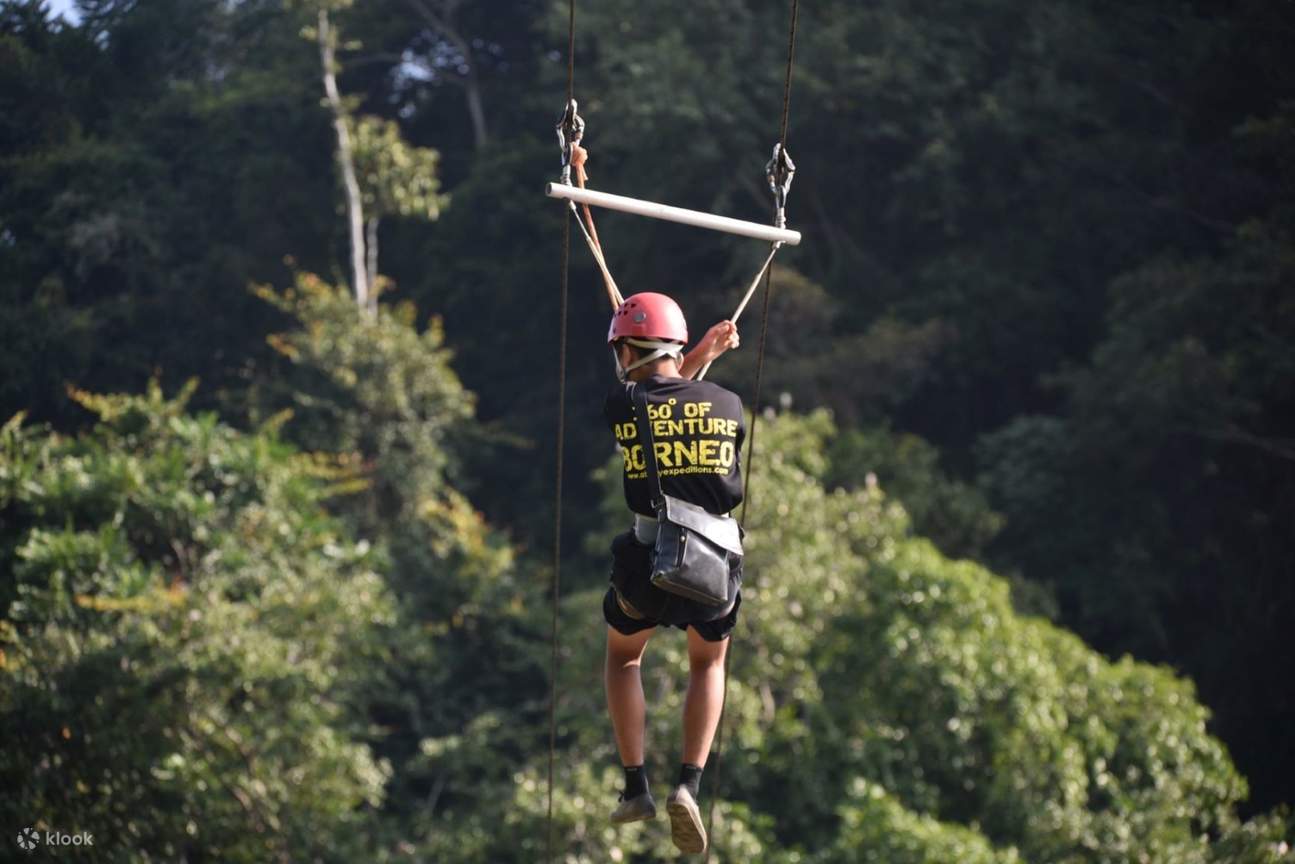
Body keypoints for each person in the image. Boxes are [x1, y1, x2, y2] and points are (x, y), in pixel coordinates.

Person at [601, 291, 744, 855]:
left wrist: (696, 353)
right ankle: (689, 783)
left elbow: (656, 401)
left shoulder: (623, 402)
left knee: (623, 657)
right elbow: (681, 398)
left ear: (630, 352)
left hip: (648, 563)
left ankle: (636, 784)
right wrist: (704, 353)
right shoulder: (729, 403)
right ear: (677, 346)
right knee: (708, 663)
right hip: (712, 566)